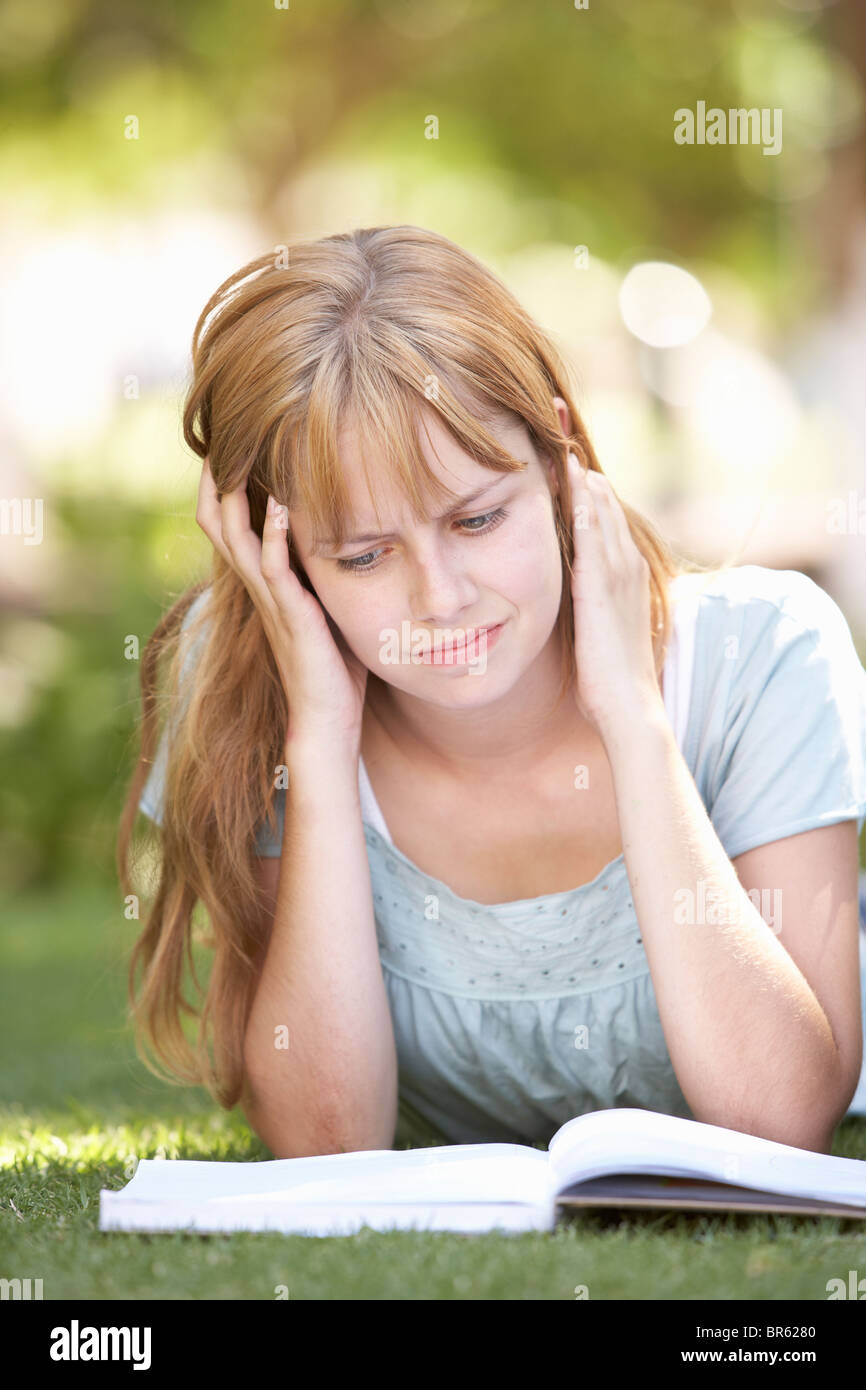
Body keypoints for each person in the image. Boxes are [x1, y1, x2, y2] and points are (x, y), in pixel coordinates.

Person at [117, 224, 866, 1159]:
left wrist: (634, 720)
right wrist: (317, 742)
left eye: (477, 518)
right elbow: (326, 1147)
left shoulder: (763, 654)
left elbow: (780, 1118)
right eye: (362, 554)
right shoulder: (242, 686)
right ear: (281, 561)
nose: (441, 597)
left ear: (557, 462)